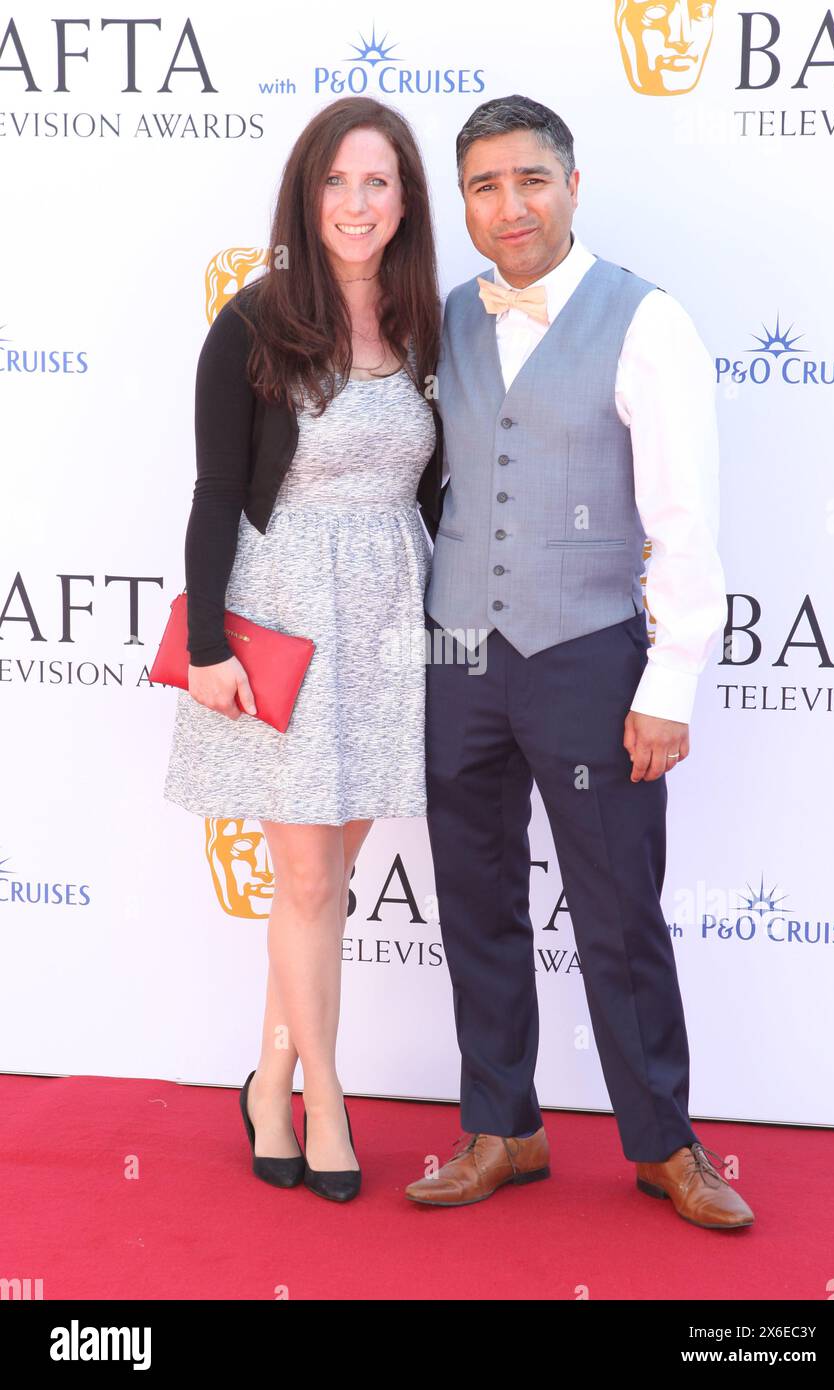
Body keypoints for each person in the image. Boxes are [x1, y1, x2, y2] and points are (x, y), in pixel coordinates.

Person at [404, 94, 754, 1230]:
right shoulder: (443, 318)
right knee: (473, 898)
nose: (509, 206)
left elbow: (681, 520)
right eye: (483, 187)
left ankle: (663, 1142)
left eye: (529, 180)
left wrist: (667, 684)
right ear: (461, 203)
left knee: (615, 910)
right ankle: (500, 1123)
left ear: (569, 182)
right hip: (458, 648)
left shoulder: (644, 321)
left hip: (589, 652)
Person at [162, 95, 442, 1204]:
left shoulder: (427, 324)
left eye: (377, 181)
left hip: (389, 621)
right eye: (336, 181)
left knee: (328, 879)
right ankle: (325, 1101)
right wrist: (209, 643)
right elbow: (215, 491)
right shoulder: (252, 323)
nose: (356, 202)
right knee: (310, 877)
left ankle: (268, 1072)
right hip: (280, 617)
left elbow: (442, 486)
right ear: (305, 194)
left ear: (403, 198)